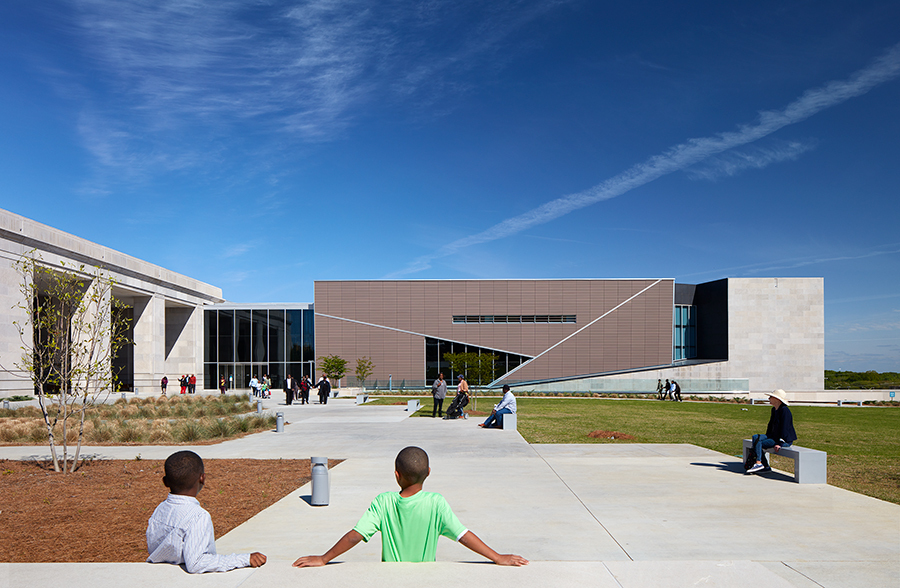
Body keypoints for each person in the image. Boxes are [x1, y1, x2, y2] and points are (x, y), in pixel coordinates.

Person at [291, 446, 528, 566]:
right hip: (425, 580)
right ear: (428, 473)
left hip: (391, 580)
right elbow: (463, 536)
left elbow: (355, 536)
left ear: (397, 475)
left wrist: (324, 558)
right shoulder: (436, 503)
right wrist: (497, 557)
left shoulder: (383, 502)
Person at [146, 450, 267, 573]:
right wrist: (244, 559)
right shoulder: (198, 516)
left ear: (165, 482)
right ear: (202, 478)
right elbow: (197, 563)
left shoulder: (159, 509)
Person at [746, 390, 797, 474]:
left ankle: (759, 463)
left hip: (783, 439)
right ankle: (765, 466)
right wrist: (767, 436)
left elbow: (785, 428)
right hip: (773, 436)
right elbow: (770, 425)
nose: (769, 398)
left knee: (759, 442)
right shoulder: (774, 409)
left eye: (771, 397)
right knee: (756, 437)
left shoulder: (784, 411)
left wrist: (780, 443)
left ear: (777, 399)